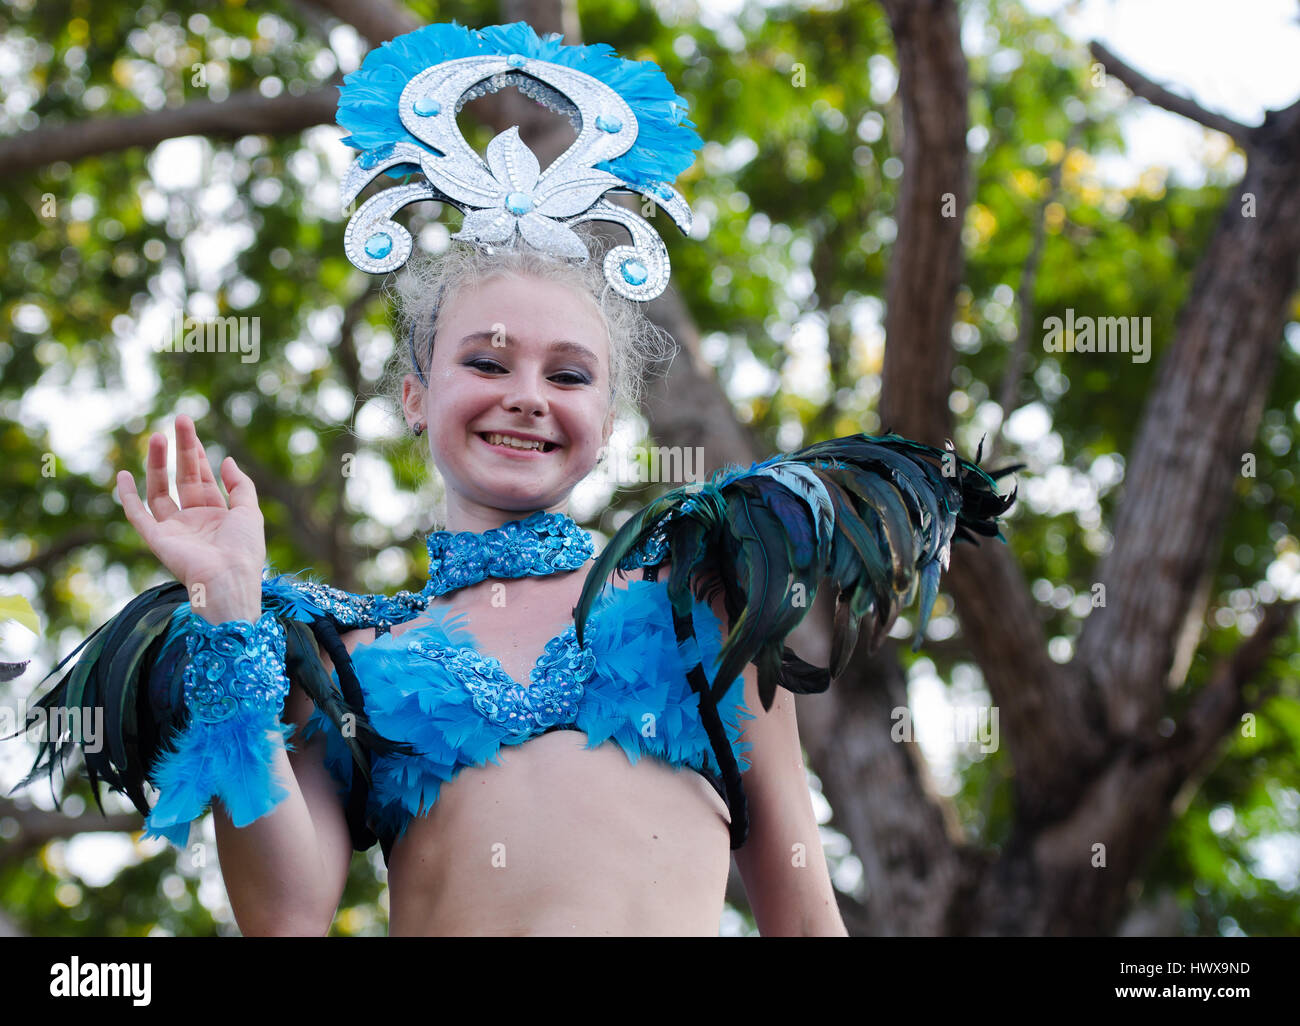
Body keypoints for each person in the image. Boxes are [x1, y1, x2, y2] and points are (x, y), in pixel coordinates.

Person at [11, 20, 1018, 937]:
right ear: (415, 396)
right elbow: (286, 914)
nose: (526, 396)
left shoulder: (701, 604)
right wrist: (230, 615)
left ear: (608, 410)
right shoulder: (342, 652)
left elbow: (804, 919)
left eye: (567, 374)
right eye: (485, 364)